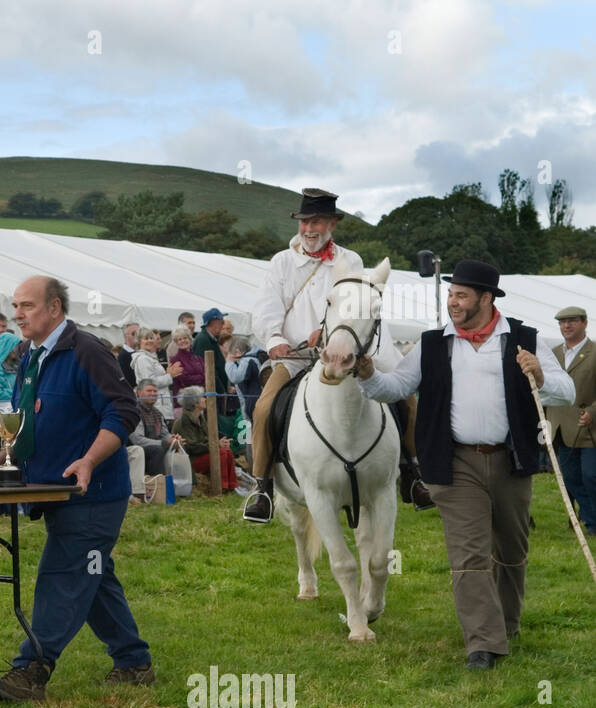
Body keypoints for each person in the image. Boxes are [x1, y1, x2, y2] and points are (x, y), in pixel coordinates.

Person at [358, 260, 574, 669]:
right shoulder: (433, 343)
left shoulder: (523, 339)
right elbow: (395, 387)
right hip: (456, 464)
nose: (453, 303)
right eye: (450, 294)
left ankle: (506, 622)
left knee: (511, 550)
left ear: (486, 299)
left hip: (511, 461)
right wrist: (368, 374)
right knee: (469, 554)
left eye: (461, 295)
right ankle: (483, 644)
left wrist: (541, 374)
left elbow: (568, 390)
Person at [0, 276, 150, 702]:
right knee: (92, 575)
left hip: (91, 494)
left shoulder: (87, 350)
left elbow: (122, 411)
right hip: (54, 492)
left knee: (64, 573)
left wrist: (90, 459)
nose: (16, 315)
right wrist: (9, 453)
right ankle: (134, 661)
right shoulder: (31, 355)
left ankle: (30, 671)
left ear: (55, 308)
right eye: (15, 306)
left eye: (27, 306)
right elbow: (28, 416)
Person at [245, 187, 431, 522]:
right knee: (263, 408)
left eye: (316, 222)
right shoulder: (282, 263)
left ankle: (412, 471)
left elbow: (356, 307)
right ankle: (262, 486)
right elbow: (266, 307)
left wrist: (331, 334)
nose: (308, 229)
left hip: (344, 353)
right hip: (296, 357)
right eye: (304, 222)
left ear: (332, 224)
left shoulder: (352, 260)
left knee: (407, 401)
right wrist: (274, 338)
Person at [544, 306, 596, 534]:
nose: (566, 326)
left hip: (589, 429)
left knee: (591, 475)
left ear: (584, 323)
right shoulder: (552, 354)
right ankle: (591, 520)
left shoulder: (595, 352)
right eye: (562, 322)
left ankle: (592, 521)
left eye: (572, 321)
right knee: (571, 478)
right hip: (559, 427)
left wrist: (593, 412)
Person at [174, 386, 238, 492]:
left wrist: (220, 442)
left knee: (227, 451)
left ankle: (232, 486)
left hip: (203, 454)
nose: (205, 399)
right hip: (191, 460)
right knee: (221, 453)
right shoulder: (183, 422)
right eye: (202, 397)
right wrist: (216, 445)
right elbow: (192, 447)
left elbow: (208, 438)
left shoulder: (200, 418)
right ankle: (222, 487)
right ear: (195, 403)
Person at [193, 308, 236, 415]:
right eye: (221, 321)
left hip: (216, 391)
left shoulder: (210, 338)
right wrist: (221, 390)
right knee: (214, 421)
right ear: (213, 323)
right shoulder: (203, 340)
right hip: (212, 392)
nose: (222, 324)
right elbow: (207, 369)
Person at [127, 379, 173, 475]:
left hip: (152, 448)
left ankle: (183, 486)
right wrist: (164, 443)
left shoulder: (157, 413)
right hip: (135, 450)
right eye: (149, 391)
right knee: (157, 450)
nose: (153, 394)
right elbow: (137, 440)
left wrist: (174, 440)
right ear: (139, 393)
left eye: (155, 391)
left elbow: (164, 434)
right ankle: (156, 484)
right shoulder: (134, 411)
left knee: (178, 447)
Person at [165, 326, 205, 417]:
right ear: (176, 342)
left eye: (185, 338)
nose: (183, 341)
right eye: (179, 339)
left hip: (199, 400)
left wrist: (200, 377)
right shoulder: (175, 360)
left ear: (189, 339)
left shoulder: (198, 357)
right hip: (183, 403)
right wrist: (201, 377)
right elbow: (185, 380)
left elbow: (206, 375)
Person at [130, 328, 177, 398]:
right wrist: (169, 376)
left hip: (160, 400)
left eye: (151, 338)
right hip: (155, 401)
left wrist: (168, 373)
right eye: (146, 338)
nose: (149, 341)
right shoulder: (143, 359)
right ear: (139, 341)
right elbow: (150, 382)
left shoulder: (149, 357)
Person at [225, 335, 263, 421]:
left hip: (253, 404)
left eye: (230, 353)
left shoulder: (247, 361)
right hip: (256, 401)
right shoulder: (254, 358)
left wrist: (229, 362)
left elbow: (235, 377)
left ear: (238, 351)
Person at [117, 321, 139, 388]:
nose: (137, 336)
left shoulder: (139, 352)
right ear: (125, 336)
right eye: (134, 333)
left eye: (139, 333)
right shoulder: (123, 356)